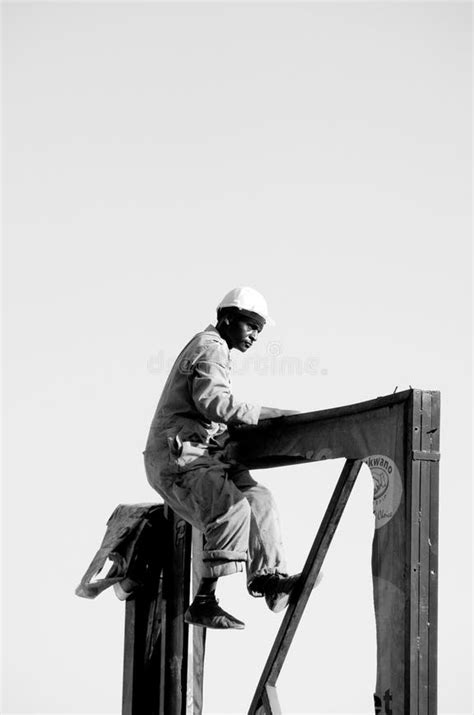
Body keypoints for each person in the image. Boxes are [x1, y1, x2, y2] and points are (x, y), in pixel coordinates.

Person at [143, 287, 301, 629]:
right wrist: (271, 415)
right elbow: (215, 403)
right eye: (250, 325)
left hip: (202, 451)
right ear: (227, 319)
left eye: (259, 328)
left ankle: (267, 579)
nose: (256, 335)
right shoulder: (210, 348)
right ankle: (204, 601)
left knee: (259, 499)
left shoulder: (213, 348)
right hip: (179, 458)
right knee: (233, 509)